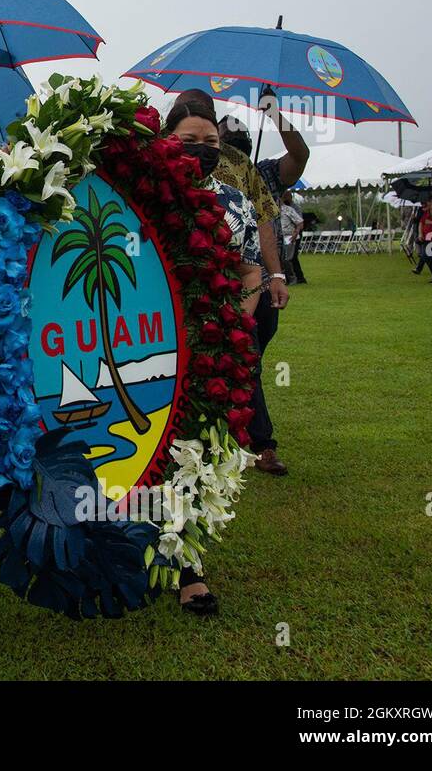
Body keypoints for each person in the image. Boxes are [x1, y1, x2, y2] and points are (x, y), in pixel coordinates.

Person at [164, 96, 263, 617]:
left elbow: (251, 273)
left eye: (210, 143)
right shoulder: (142, 196)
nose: (200, 150)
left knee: (195, 452)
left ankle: (187, 568)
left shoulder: (235, 201)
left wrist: (238, 321)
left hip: (210, 349)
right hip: (150, 342)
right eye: (188, 141)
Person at [206, 87, 308, 477]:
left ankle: (239, 434)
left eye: (239, 140)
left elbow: (299, 156)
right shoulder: (201, 172)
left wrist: (276, 114)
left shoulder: (262, 173)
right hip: (222, 286)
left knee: (247, 362)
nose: (233, 146)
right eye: (226, 140)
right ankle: (261, 443)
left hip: (262, 288)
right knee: (244, 363)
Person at [277, 190, 304, 284]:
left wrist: (296, 232)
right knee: (279, 259)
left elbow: (300, 222)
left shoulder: (288, 209)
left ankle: (293, 278)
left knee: (287, 259)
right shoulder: (272, 211)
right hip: (278, 238)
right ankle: (284, 279)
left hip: (289, 237)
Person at [417, 197, 432, 282]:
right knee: (425, 256)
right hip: (427, 236)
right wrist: (420, 233)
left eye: (430, 202)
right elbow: (421, 222)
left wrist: (431, 213)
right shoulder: (426, 212)